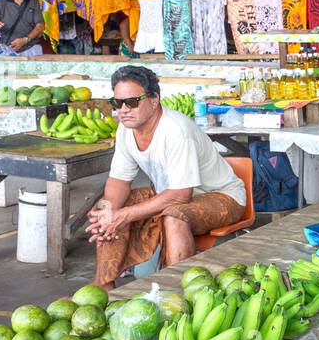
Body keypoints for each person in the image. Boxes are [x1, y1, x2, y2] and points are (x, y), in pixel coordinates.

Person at [87, 65, 248, 290]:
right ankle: (103, 285)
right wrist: (109, 211)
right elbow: (118, 180)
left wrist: (123, 216)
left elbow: (182, 196)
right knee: (109, 209)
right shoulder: (125, 129)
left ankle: (177, 293)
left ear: (154, 100)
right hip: (170, 195)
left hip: (223, 197)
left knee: (174, 215)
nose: (123, 110)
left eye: (131, 102)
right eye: (117, 103)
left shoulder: (176, 130)